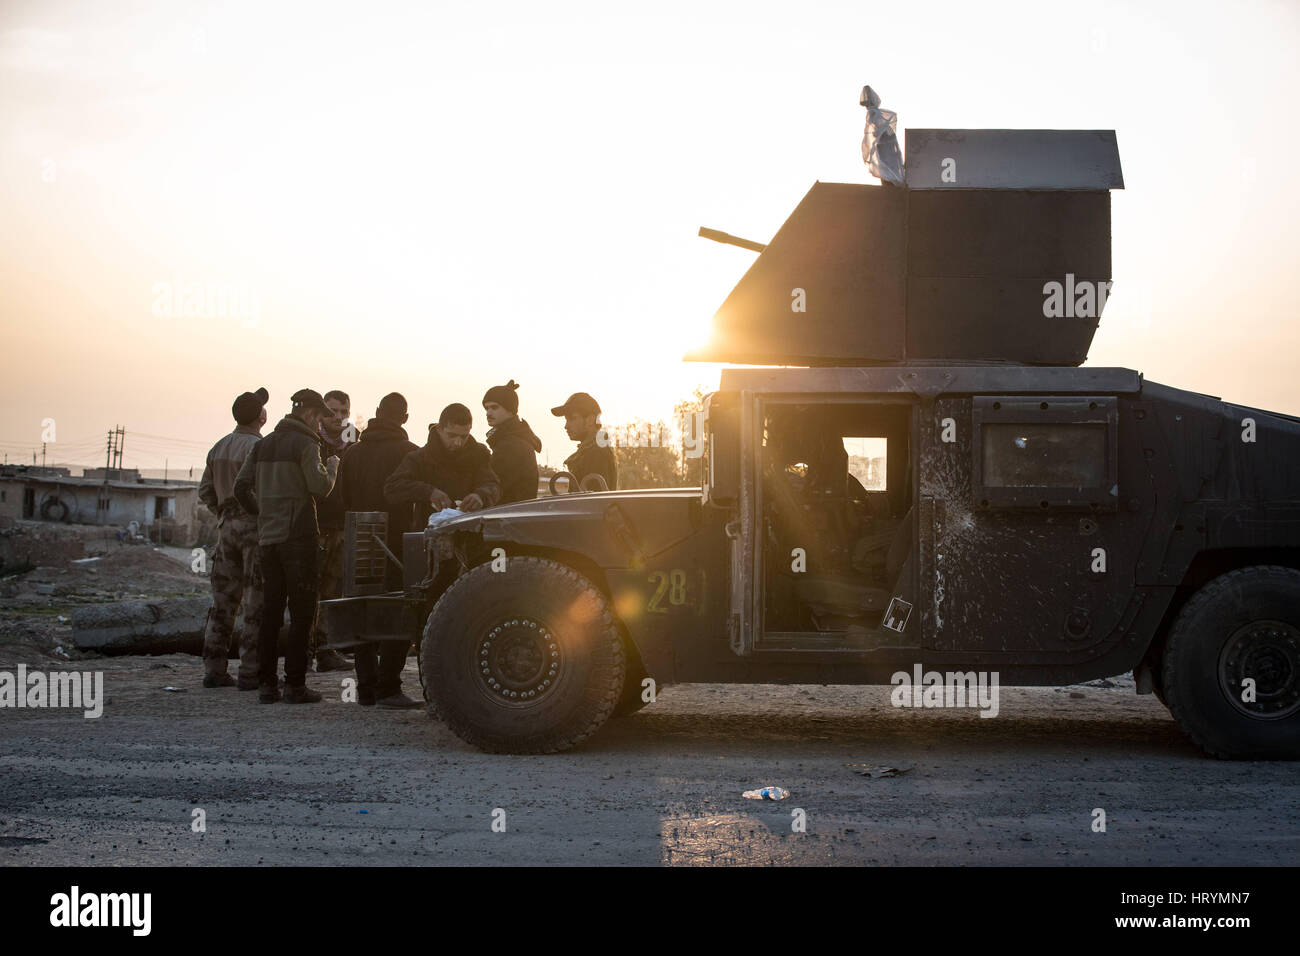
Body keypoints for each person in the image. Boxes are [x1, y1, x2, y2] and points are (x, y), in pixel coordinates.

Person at [233, 388, 338, 704]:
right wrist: (333, 466)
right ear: (310, 414)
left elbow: (240, 488)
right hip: (298, 539)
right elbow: (320, 487)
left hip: (269, 540)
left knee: (271, 612)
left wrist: (262, 513)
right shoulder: (306, 444)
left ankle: (267, 685)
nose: (321, 424)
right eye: (320, 417)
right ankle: (294, 685)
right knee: (303, 612)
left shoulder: (263, 445)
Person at [334, 391, 420, 708]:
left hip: (359, 540)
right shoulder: (411, 453)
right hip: (398, 543)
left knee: (364, 610)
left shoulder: (352, 454)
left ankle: (366, 688)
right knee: (398, 610)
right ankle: (389, 687)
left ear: (376, 413)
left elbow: (342, 498)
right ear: (405, 419)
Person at [198, 387, 269, 690]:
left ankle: (214, 669)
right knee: (255, 601)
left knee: (223, 602)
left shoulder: (219, 447)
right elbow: (264, 491)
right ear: (260, 417)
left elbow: (204, 491)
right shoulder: (259, 448)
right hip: (253, 527)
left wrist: (223, 513)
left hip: (226, 528)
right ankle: (250, 672)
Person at [384, 403, 500, 527]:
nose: (458, 443)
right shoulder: (420, 457)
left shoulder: (479, 455)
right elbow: (392, 487)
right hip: (431, 534)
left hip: (471, 535)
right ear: (439, 429)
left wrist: (480, 496)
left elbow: (493, 486)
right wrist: (428, 492)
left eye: (463, 436)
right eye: (452, 435)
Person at [309, 388, 356, 673]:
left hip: (341, 524)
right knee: (309, 590)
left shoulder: (353, 442)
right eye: (333, 411)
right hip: (314, 525)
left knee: (332, 591)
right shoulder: (309, 440)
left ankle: (325, 650)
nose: (338, 417)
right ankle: (306, 650)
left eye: (344, 412)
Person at [482, 379, 541, 504]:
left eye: (494, 407)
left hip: (508, 518)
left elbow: (494, 486)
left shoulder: (511, 445)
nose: (488, 413)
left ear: (510, 409)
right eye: (486, 408)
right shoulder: (515, 437)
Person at [552, 391, 617, 491]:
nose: (566, 426)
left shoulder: (597, 453)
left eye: (572, 419)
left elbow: (593, 503)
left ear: (590, 420)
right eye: (566, 420)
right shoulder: (592, 450)